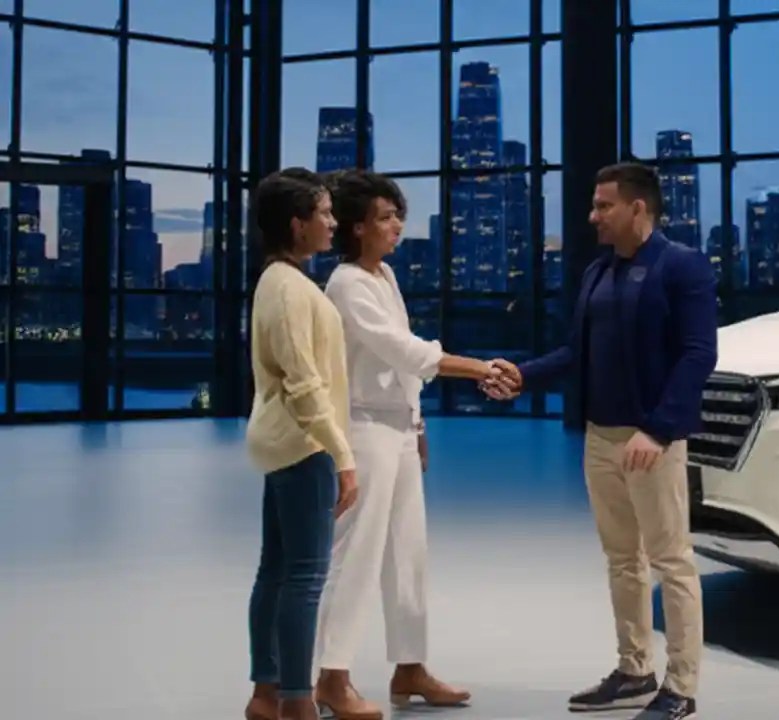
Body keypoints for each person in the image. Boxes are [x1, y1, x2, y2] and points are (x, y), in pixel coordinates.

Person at [482, 162, 717, 720]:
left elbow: (698, 354)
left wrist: (659, 429)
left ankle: (680, 687)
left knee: (672, 562)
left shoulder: (681, 266)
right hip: (601, 438)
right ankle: (634, 671)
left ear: (639, 208)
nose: (593, 217)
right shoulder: (597, 273)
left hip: (651, 443)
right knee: (622, 561)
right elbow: (576, 354)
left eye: (603, 206)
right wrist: (523, 375)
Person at [311, 168, 496, 719]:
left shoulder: (383, 276)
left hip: (394, 428)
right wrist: (481, 369)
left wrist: (416, 427)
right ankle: (331, 675)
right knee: (357, 552)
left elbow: (402, 368)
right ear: (357, 227)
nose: (397, 226)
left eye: (397, 216)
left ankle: (409, 667)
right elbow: (404, 351)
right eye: (386, 218)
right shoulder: (346, 284)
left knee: (407, 553)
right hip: (362, 429)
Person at [243, 168, 357, 720]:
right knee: (305, 578)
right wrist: (343, 455)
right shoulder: (288, 289)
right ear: (297, 223)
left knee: (277, 570)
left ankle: (268, 693)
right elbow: (305, 383)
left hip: (286, 444)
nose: (333, 223)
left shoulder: (280, 282)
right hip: (304, 447)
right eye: (325, 213)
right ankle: (295, 702)